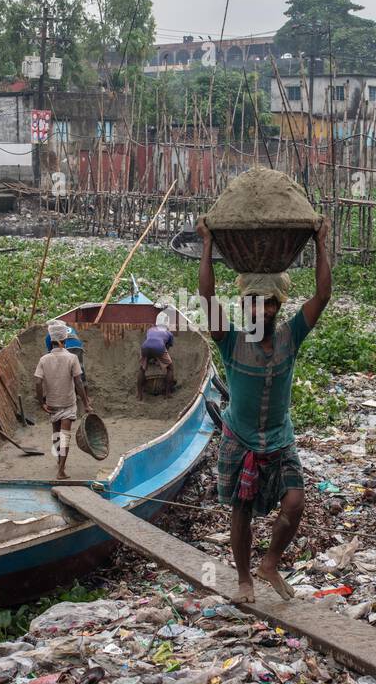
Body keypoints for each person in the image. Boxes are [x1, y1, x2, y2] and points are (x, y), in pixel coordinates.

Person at [196, 214, 332, 604]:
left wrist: (321, 242)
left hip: (279, 436)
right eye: (256, 304)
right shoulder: (229, 340)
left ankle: (269, 563)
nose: (264, 312)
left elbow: (321, 296)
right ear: (245, 307)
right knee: (240, 511)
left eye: (271, 304)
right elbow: (206, 298)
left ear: (277, 306)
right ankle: (244, 579)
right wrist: (207, 244)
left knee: (295, 501)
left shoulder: (291, 336)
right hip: (240, 438)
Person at [35, 320, 92, 480]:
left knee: (56, 434)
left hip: (52, 403)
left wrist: (42, 403)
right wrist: (86, 403)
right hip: (67, 403)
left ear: (51, 341)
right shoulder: (72, 358)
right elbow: (78, 382)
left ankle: (59, 462)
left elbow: (38, 382)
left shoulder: (43, 359)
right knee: (65, 435)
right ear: (65, 341)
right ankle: (61, 471)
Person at [137, 311, 175, 399]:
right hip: (159, 347)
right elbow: (166, 348)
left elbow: (151, 342)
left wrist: (154, 358)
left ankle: (139, 394)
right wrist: (159, 360)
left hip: (145, 347)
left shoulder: (150, 329)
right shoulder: (169, 333)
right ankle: (167, 394)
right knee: (170, 368)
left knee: (142, 369)